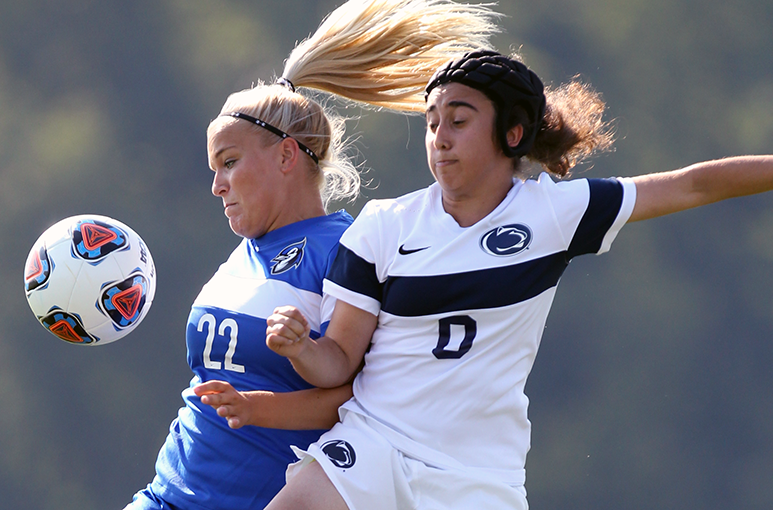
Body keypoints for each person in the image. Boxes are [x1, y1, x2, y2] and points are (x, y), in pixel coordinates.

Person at [264, 49, 773, 510]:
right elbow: (336, 363)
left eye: (458, 121)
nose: (440, 139)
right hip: (373, 446)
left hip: (477, 475)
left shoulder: (554, 214)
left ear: (512, 133)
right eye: (431, 122)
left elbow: (693, 186)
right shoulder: (383, 224)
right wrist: (300, 348)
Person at [125, 1, 499, 509]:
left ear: (285, 155)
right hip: (164, 494)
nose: (217, 185)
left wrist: (263, 402)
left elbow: (369, 404)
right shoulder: (243, 253)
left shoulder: (348, 250)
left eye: (229, 162)